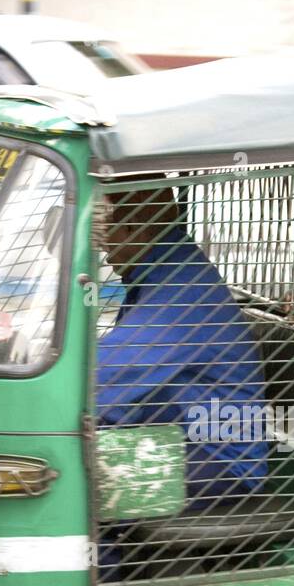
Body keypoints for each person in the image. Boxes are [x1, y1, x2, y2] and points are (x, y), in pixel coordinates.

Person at [95, 185, 269, 505]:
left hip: (222, 463)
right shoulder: (159, 271)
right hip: (179, 439)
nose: (103, 242)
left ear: (136, 228)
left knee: (86, 481)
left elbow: (106, 377)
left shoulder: (180, 287)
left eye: (108, 226)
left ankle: (107, 557)